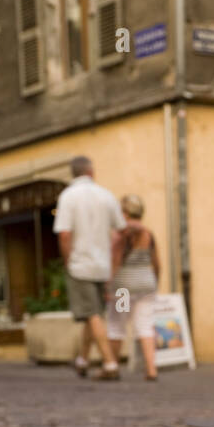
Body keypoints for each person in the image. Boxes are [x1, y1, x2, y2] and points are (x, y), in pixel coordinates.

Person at [54, 156, 124, 380]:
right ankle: (82, 360)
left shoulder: (68, 197)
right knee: (92, 313)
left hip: (81, 264)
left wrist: (68, 261)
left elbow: (65, 234)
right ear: (91, 172)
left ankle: (110, 364)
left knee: (92, 313)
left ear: (73, 173)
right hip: (102, 264)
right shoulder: (107, 195)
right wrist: (112, 261)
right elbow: (119, 231)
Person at [107, 194, 160, 381]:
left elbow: (114, 261)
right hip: (146, 285)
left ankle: (111, 365)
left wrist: (108, 286)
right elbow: (156, 262)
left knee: (116, 325)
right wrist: (156, 282)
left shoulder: (120, 234)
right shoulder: (149, 233)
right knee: (145, 327)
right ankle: (151, 369)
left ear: (126, 212)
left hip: (124, 289)